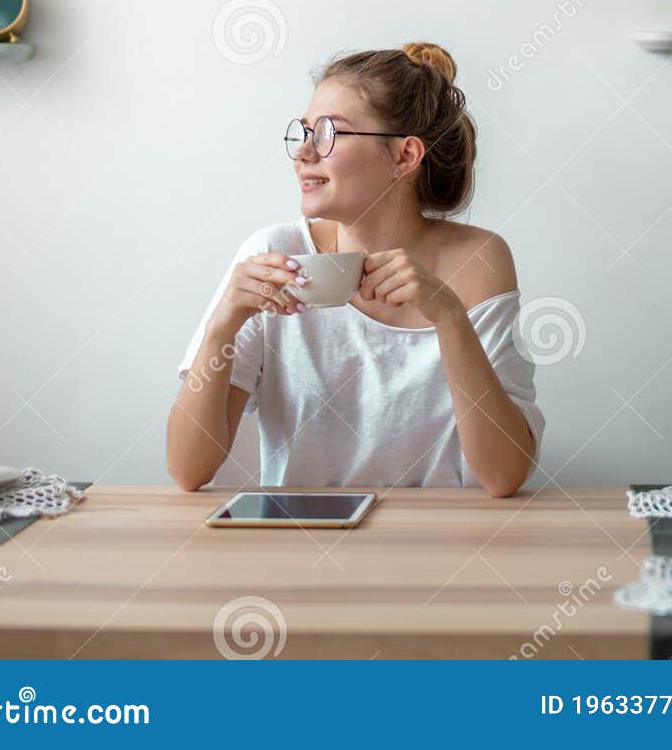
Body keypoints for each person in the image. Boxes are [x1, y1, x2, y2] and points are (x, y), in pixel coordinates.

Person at [167, 42, 545, 496]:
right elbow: (189, 469)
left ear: (404, 157)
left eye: (329, 133)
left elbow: (503, 476)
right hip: (306, 543)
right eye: (304, 132)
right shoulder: (274, 254)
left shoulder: (480, 260)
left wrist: (448, 316)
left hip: (446, 548)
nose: (303, 153)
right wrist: (221, 327)